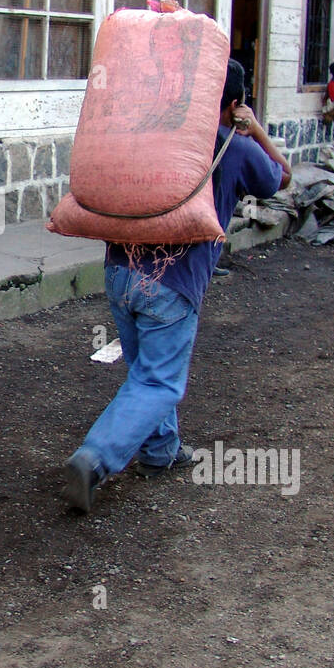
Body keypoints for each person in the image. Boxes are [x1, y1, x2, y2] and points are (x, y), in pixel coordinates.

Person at [62, 59, 289, 514]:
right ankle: (95, 458)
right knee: (160, 381)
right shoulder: (235, 148)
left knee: (146, 368)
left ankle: (160, 451)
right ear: (234, 103)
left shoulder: (148, 135)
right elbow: (282, 178)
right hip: (172, 284)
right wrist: (255, 129)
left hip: (119, 272)